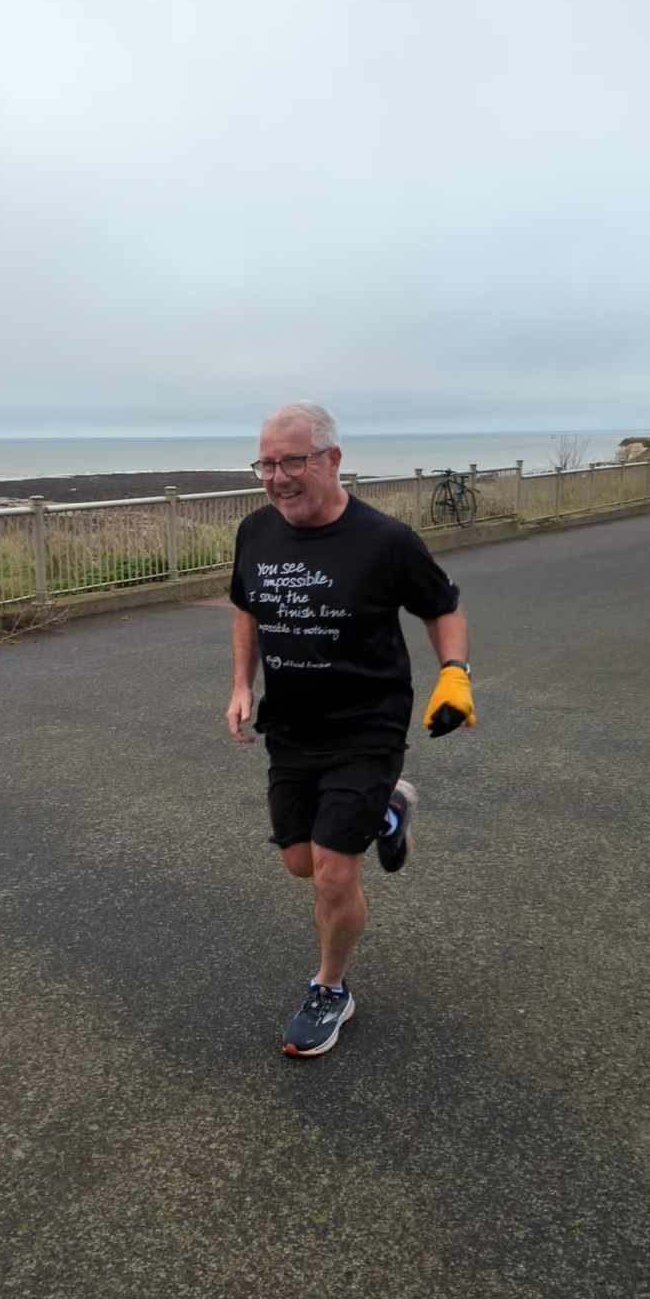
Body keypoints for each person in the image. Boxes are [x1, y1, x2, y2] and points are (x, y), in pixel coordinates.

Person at [226, 401, 475, 1057]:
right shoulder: (256, 532)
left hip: (367, 727)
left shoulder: (386, 540)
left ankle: (330, 989)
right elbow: (245, 608)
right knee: (299, 863)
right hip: (292, 728)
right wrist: (241, 685)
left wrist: (455, 672)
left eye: (293, 462)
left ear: (333, 459)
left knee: (334, 876)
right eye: (266, 464)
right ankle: (389, 810)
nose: (278, 478)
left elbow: (443, 606)